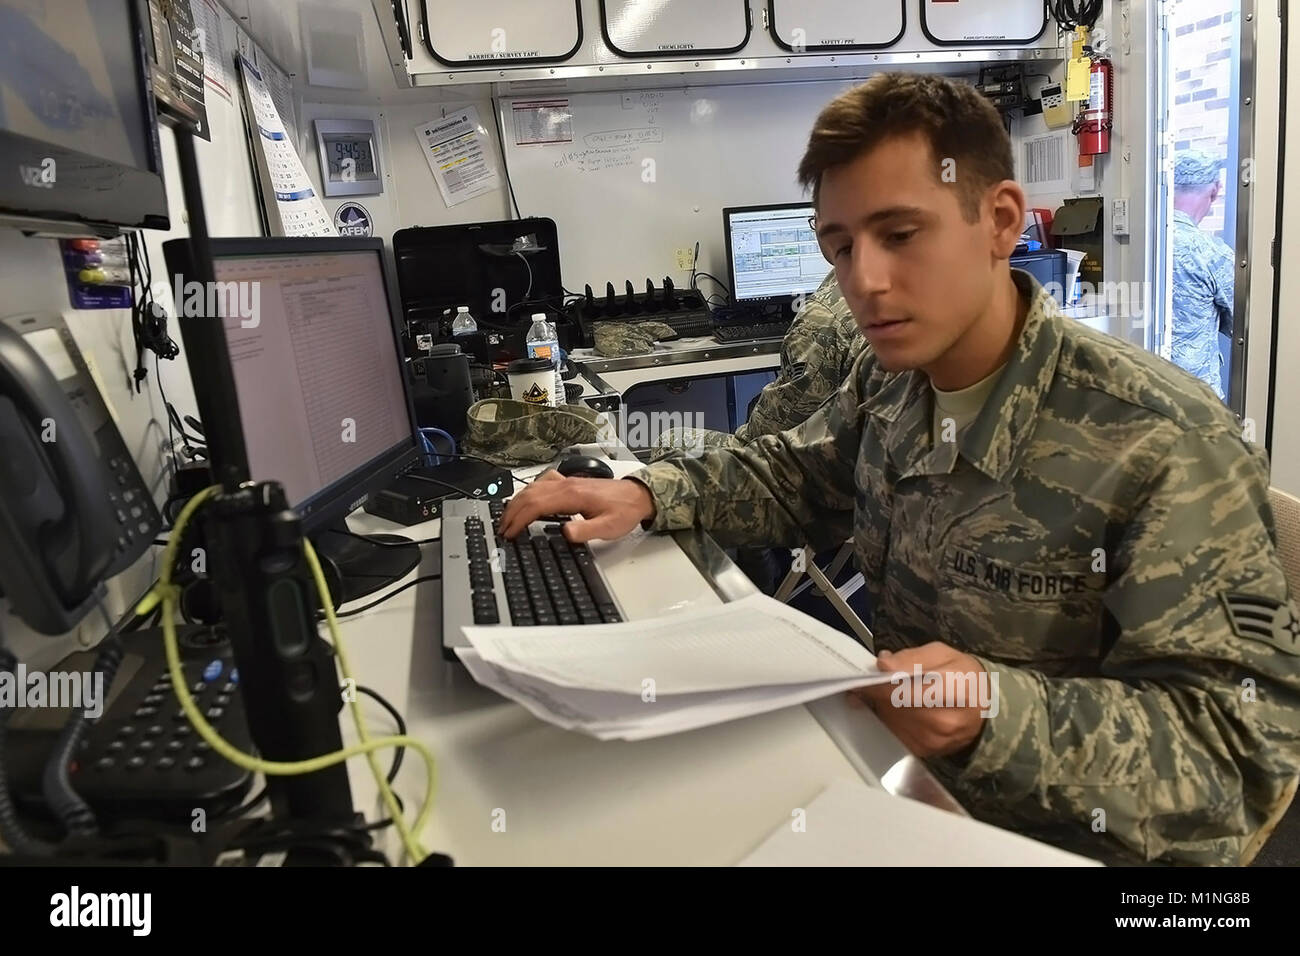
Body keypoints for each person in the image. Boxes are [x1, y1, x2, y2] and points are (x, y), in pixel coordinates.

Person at [500, 73, 1300, 865]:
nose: (864, 282)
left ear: (999, 221)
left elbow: (1236, 761)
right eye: (840, 247)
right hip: (900, 789)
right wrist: (643, 490)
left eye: (900, 235)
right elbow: (794, 475)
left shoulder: (1161, 440)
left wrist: (994, 712)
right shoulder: (892, 380)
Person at [650, 271, 863, 460]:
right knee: (755, 403)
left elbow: (764, 439)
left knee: (670, 440)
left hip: (822, 474)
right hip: (861, 456)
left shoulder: (822, 319)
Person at [1171, 149, 1236, 401]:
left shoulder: (1141, 243)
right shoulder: (1211, 252)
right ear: (1215, 190)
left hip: (1142, 391)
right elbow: (1242, 324)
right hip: (1195, 399)